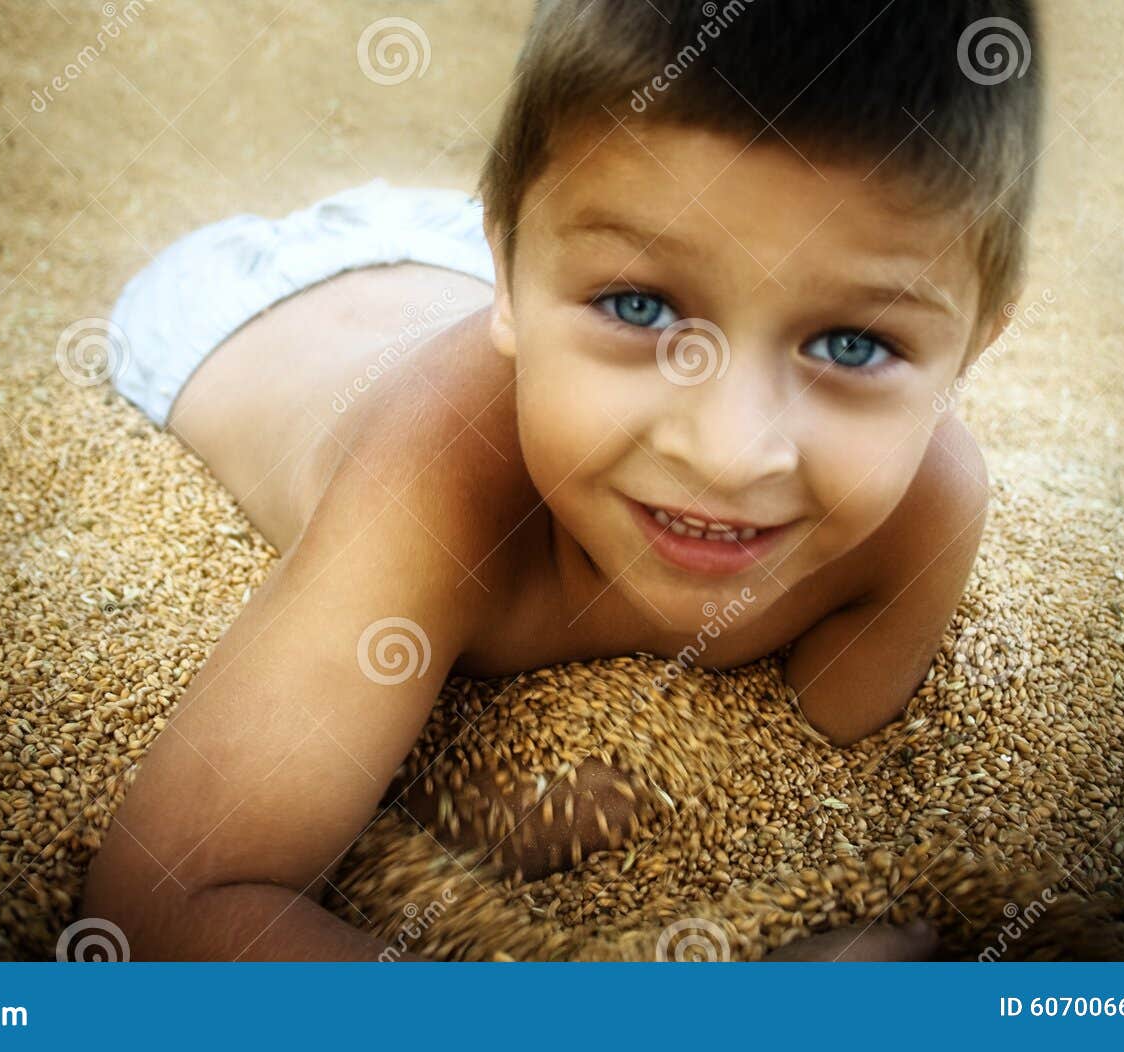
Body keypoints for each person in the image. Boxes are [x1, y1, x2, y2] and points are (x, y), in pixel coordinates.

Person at [83, 0, 1043, 960]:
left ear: (973, 346)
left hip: (532, 246)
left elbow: (815, 764)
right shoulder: (446, 469)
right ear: (510, 280)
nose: (730, 451)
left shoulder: (928, 510)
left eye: (852, 343)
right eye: (641, 308)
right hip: (262, 306)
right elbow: (168, 901)